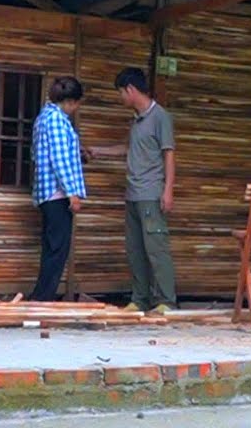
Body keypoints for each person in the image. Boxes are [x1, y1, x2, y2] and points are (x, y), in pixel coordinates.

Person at [87, 67, 177, 314]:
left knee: (156, 249)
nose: (121, 99)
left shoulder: (160, 117)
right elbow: (128, 149)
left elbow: (169, 155)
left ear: (130, 90)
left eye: (121, 93)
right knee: (135, 249)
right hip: (133, 194)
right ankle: (140, 299)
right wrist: (99, 151)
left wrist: (168, 190)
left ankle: (166, 301)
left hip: (151, 194)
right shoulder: (136, 121)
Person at [27, 76, 87, 302]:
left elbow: (40, 153)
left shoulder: (45, 117)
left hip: (47, 192)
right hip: (57, 193)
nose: (77, 108)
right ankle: (42, 299)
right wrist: (72, 192)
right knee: (57, 250)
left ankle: (41, 296)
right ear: (71, 101)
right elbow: (59, 160)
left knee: (52, 247)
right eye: (77, 103)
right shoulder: (58, 121)